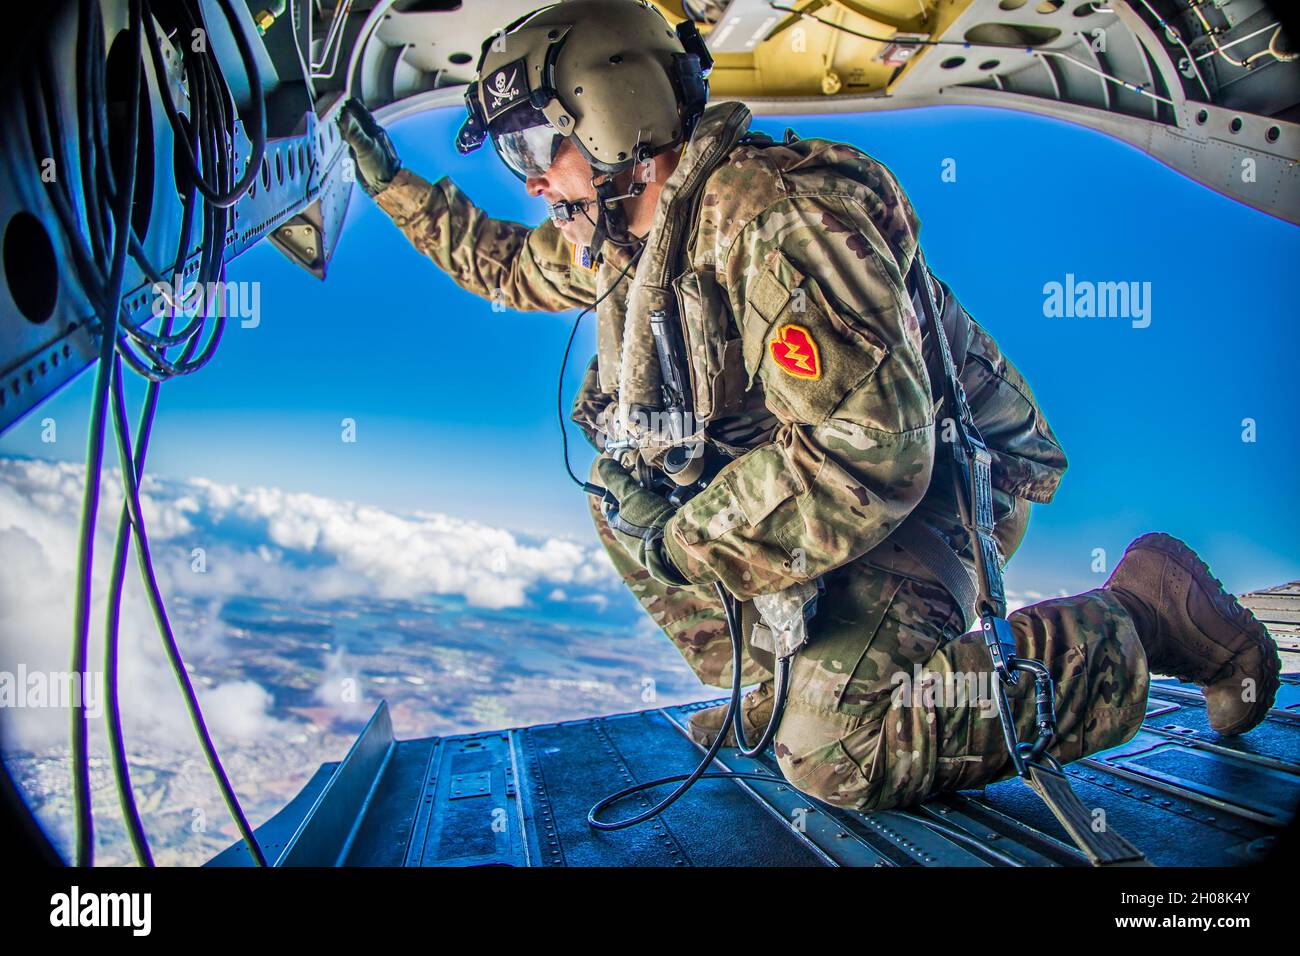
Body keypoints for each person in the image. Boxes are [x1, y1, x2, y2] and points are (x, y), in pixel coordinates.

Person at [338, 0, 1279, 813]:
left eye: (538, 148)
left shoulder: (776, 222)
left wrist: (686, 538)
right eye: (516, 157)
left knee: (839, 751)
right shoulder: (625, 239)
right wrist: (389, 184)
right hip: (839, 496)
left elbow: (874, 456)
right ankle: (780, 678)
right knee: (629, 484)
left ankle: (1143, 617)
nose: (535, 181)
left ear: (612, 119)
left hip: (932, 500)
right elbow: (500, 262)